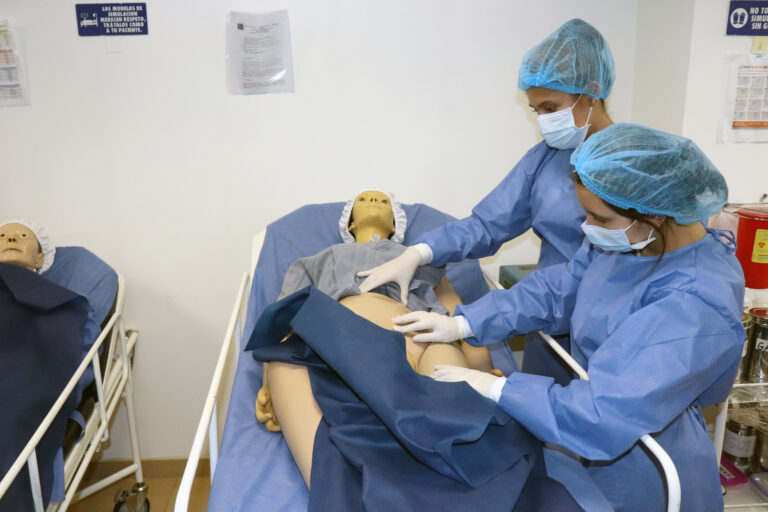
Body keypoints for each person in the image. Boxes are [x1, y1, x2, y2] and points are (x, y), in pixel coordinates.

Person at [392, 123, 745, 512]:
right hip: (592, 439)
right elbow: (560, 287)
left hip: (648, 469)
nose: (586, 228)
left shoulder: (695, 303)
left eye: (600, 219)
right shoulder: (629, 245)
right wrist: (467, 322)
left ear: (656, 216)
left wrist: (499, 389)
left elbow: (604, 414)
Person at [358, 18, 616, 383]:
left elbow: (584, 276)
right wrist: (420, 252)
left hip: (604, 326)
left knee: (589, 424)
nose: (542, 119)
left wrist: (468, 322)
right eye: (536, 110)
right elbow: (487, 224)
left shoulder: (629, 168)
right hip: (544, 319)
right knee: (540, 428)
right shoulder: (545, 158)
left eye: (550, 107)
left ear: (590, 94)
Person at [255, 190, 497, 484]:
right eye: (365, 199)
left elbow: (457, 314)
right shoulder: (318, 260)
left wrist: (480, 369)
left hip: (424, 340)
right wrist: (268, 382)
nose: (374, 202)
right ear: (350, 223)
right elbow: (284, 316)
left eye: (384, 202)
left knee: (452, 396)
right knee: (286, 366)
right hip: (342, 341)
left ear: (395, 225)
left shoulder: (423, 259)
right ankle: (338, 488)